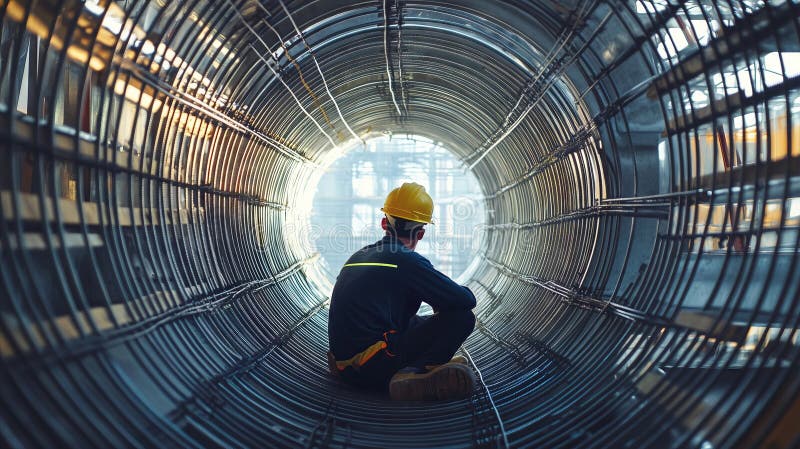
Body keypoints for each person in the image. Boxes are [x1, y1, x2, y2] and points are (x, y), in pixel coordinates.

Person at [327, 182, 477, 401]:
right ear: (421, 233)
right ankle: (413, 372)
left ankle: (423, 367)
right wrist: (443, 299)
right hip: (373, 366)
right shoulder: (407, 261)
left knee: (415, 320)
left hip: (344, 364)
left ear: (384, 223)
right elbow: (465, 300)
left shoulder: (358, 256)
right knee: (462, 318)